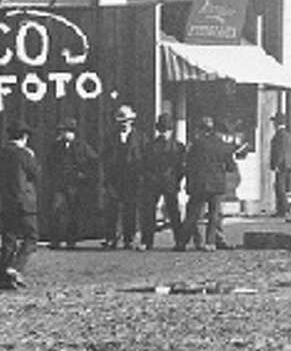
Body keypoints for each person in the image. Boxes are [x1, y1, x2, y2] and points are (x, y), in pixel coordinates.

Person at [0, 122, 41, 291]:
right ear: (24, 137)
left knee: (9, 238)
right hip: (24, 203)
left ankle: (4, 280)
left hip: (4, 203)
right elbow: (36, 174)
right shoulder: (24, 154)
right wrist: (32, 157)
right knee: (32, 236)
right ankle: (15, 268)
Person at [183, 116, 237, 251]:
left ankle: (183, 242)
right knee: (214, 214)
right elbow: (231, 166)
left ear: (200, 130)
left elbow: (189, 165)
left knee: (193, 214)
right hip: (217, 184)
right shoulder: (221, 145)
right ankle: (210, 242)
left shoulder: (196, 145)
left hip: (200, 184)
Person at [48, 118, 98, 249]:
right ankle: (55, 240)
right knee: (56, 210)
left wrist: (85, 174)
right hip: (60, 184)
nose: (62, 134)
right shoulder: (56, 146)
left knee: (73, 212)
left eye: (65, 131)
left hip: (75, 184)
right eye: (61, 131)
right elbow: (50, 162)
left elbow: (94, 162)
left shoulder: (82, 146)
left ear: (72, 132)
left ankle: (71, 240)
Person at [140, 113, 187, 251]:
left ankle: (179, 241)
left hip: (170, 183)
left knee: (173, 213)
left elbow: (181, 168)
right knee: (148, 213)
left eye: (166, 130)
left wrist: (176, 180)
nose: (164, 133)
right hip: (153, 182)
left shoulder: (178, 147)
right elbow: (144, 165)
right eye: (161, 129)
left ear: (171, 130)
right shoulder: (150, 146)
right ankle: (147, 241)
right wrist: (150, 177)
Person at [101, 104, 145, 249]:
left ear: (132, 121)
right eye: (121, 122)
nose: (123, 124)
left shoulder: (140, 137)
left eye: (126, 121)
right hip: (115, 178)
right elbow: (104, 157)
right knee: (112, 209)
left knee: (131, 208)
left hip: (133, 178)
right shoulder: (110, 137)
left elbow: (145, 157)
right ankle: (112, 237)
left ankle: (129, 237)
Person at [267, 112, 291, 218]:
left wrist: (277, 164)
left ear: (276, 123)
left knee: (280, 187)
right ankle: (283, 208)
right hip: (288, 164)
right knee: (280, 186)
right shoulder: (289, 135)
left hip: (282, 165)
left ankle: (283, 208)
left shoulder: (280, 135)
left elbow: (280, 151)